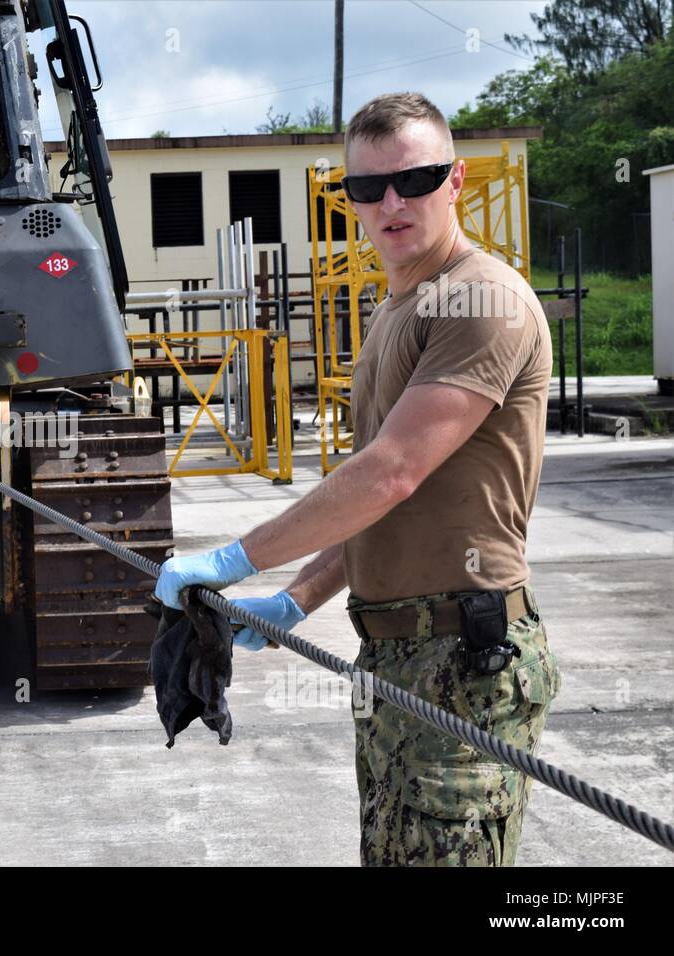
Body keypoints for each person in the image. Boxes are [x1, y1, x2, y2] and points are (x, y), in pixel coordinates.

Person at [155, 92, 561, 866]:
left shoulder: (483, 302)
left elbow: (391, 474)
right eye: (368, 187)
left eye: (416, 179)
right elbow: (383, 503)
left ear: (456, 180)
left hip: (465, 659)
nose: (391, 204)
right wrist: (295, 598)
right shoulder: (395, 309)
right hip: (396, 657)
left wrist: (237, 558)